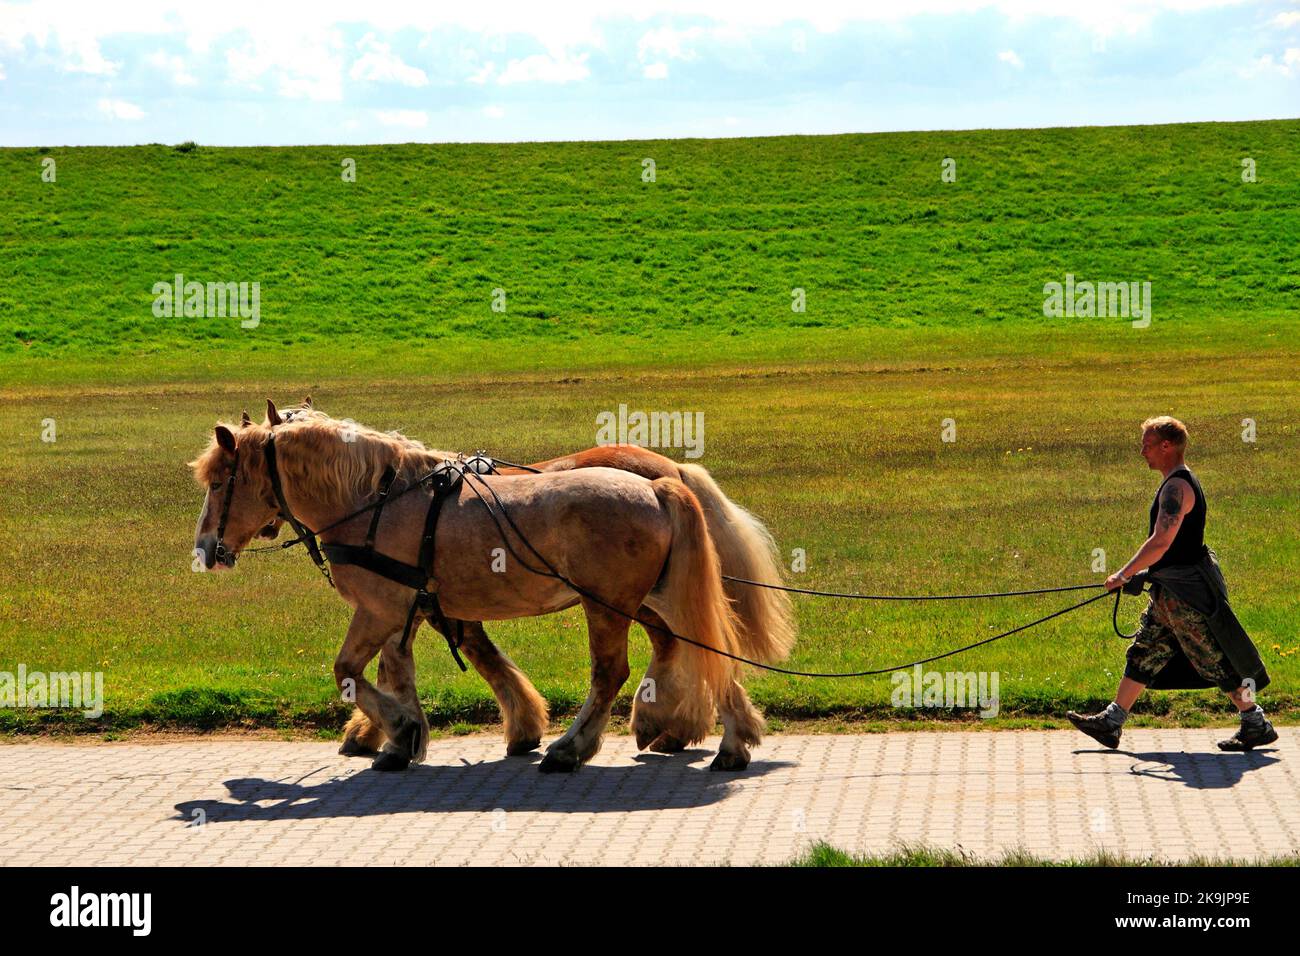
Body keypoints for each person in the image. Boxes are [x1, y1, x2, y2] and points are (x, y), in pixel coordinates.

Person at [1067, 416, 1274, 752]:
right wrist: (1144, 576)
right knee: (1145, 651)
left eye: (1147, 445)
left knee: (1216, 660)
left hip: (1186, 597)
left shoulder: (1178, 487)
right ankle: (1112, 721)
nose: (1142, 451)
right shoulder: (1174, 484)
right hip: (1169, 592)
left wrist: (1124, 573)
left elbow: (1161, 541)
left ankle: (1256, 722)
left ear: (1167, 446)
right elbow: (1173, 550)